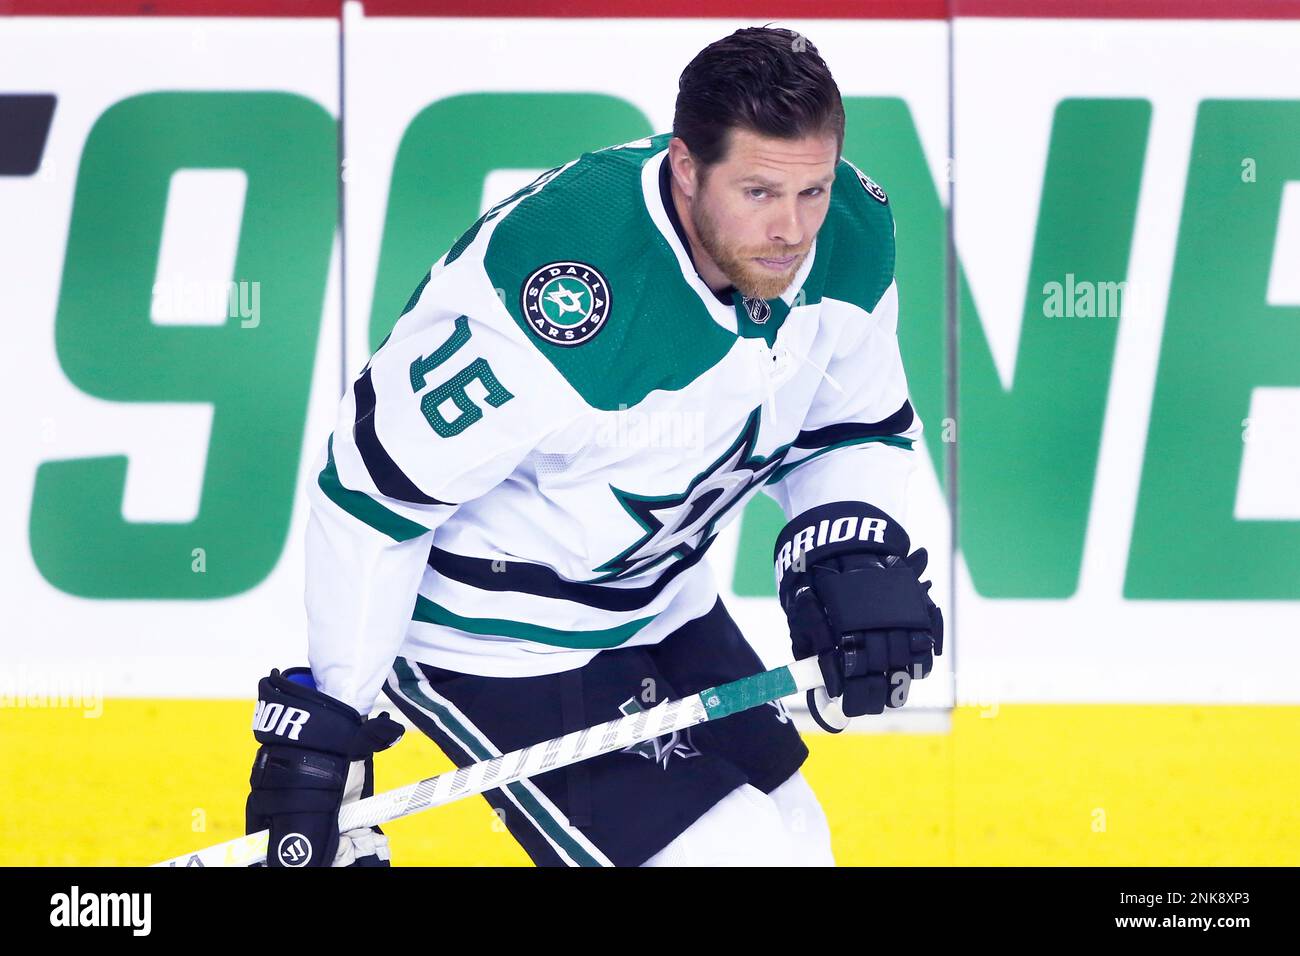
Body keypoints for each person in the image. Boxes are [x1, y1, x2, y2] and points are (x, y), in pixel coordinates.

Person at [245, 25, 943, 868]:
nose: (792, 232)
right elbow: (372, 496)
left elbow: (853, 425)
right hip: (498, 644)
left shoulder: (852, 236)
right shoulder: (561, 294)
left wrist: (848, 547)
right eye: (758, 192)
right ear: (687, 168)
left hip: (663, 597)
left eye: (812, 192)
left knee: (796, 841)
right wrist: (331, 730)